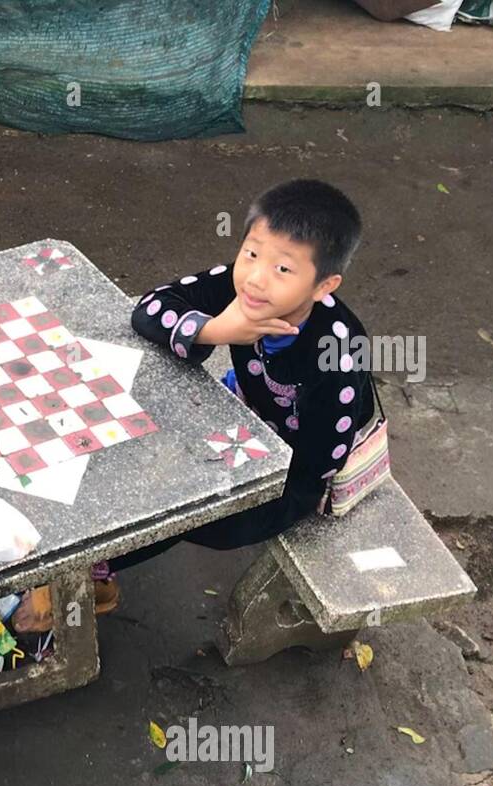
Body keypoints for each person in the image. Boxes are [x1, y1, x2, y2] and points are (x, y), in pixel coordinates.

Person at [109, 177, 376, 573]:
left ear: (324, 285)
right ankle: (92, 564)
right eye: (251, 253)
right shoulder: (243, 287)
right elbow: (150, 307)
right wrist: (216, 331)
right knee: (132, 438)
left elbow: (320, 462)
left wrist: (232, 462)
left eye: (283, 268)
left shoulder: (336, 354)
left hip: (286, 481)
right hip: (241, 416)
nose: (255, 278)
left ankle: (93, 572)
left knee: (184, 504)